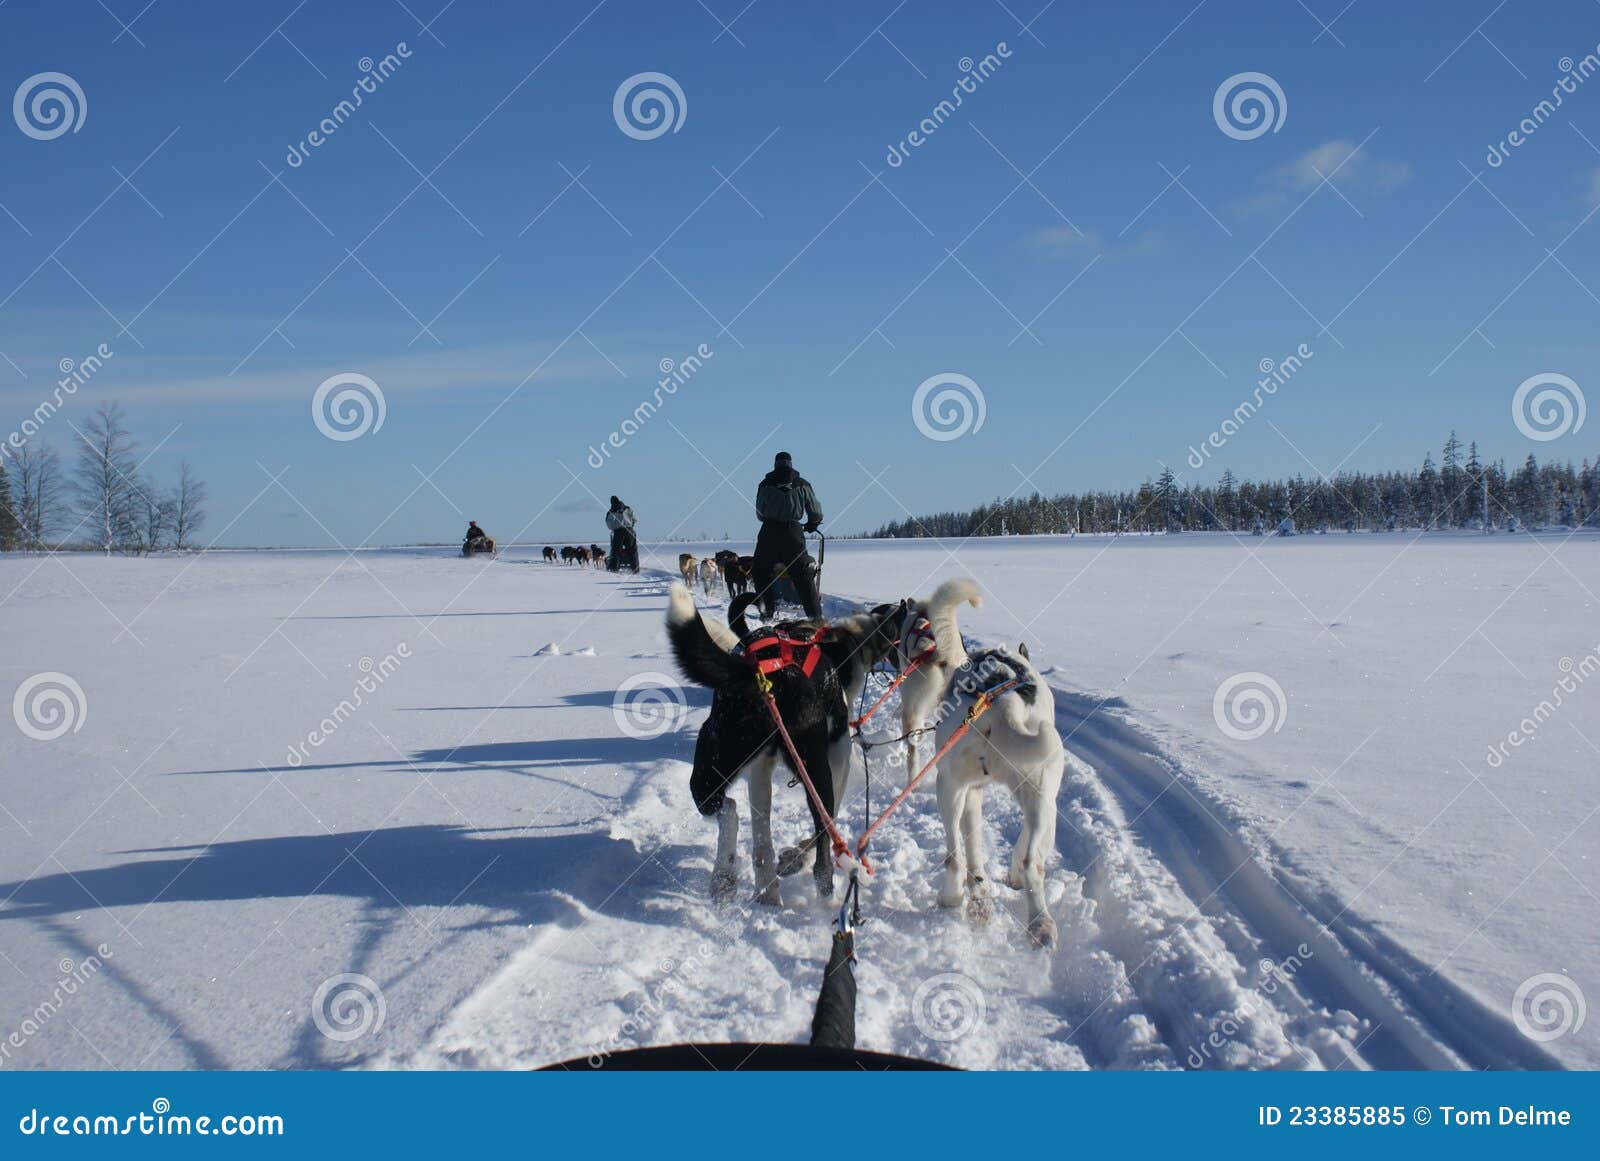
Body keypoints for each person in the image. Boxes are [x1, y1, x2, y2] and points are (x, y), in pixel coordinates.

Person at [752, 451, 822, 619]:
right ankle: (815, 617)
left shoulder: (765, 484)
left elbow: (760, 513)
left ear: (775, 464)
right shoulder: (802, 484)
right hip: (793, 533)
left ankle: (767, 612)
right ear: (790, 464)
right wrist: (812, 523)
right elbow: (815, 511)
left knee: (761, 571)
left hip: (769, 532)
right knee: (802, 574)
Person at [605, 495, 639, 572]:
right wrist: (631, 525)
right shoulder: (628, 508)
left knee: (616, 550)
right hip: (630, 531)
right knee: (633, 550)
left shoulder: (612, 511)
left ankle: (614, 568)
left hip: (619, 532)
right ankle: (635, 569)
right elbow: (635, 519)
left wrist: (614, 527)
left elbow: (608, 523)